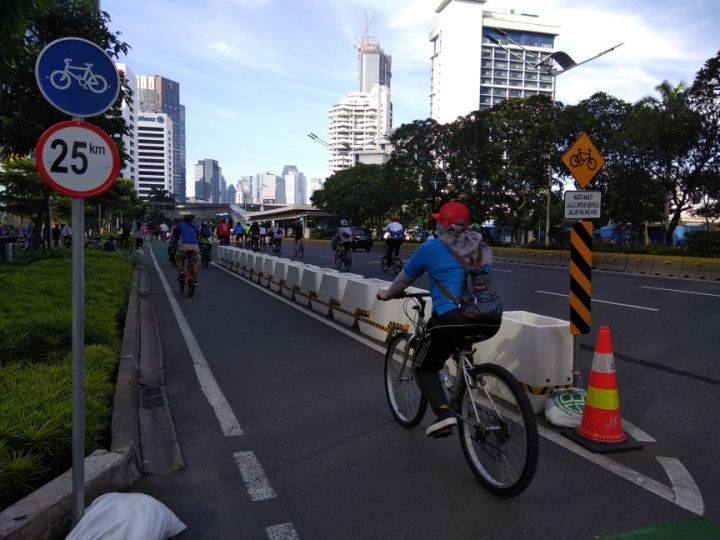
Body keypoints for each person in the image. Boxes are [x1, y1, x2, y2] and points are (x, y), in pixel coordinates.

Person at [376, 201, 501, 438]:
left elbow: (403, 280)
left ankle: (444, 414)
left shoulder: (430, 247)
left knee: (423, 367)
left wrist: (387, 294)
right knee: (451, 341)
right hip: (490, 317)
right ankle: (464, 388)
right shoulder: (479, 245)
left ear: (442, 224)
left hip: (453, 318)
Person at [173, 214, 200, 285]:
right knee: (194, 263)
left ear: (183, 219)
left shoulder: (180, 225)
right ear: (192, 219)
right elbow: (197, 236)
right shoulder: (196, 226)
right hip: (195, 246)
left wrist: (174, 243)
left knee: (178, 259)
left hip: (184, 245)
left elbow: (176, 236)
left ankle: (181, 271)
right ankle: (195, 280)